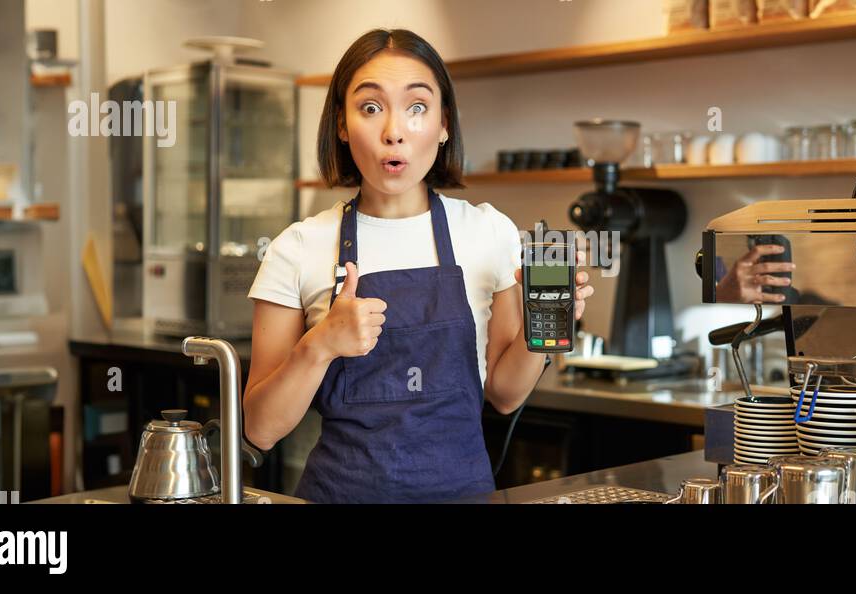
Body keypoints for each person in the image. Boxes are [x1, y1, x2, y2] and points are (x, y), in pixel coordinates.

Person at [242, 29, 594, 503]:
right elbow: (261, 430)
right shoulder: (298, 247)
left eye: (417, 107)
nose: (394, 130)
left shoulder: (490, 234)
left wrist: (544, 328)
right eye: (370, 107)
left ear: (444, 123)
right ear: (342, 126)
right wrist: (320, 346)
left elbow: (505, 393)